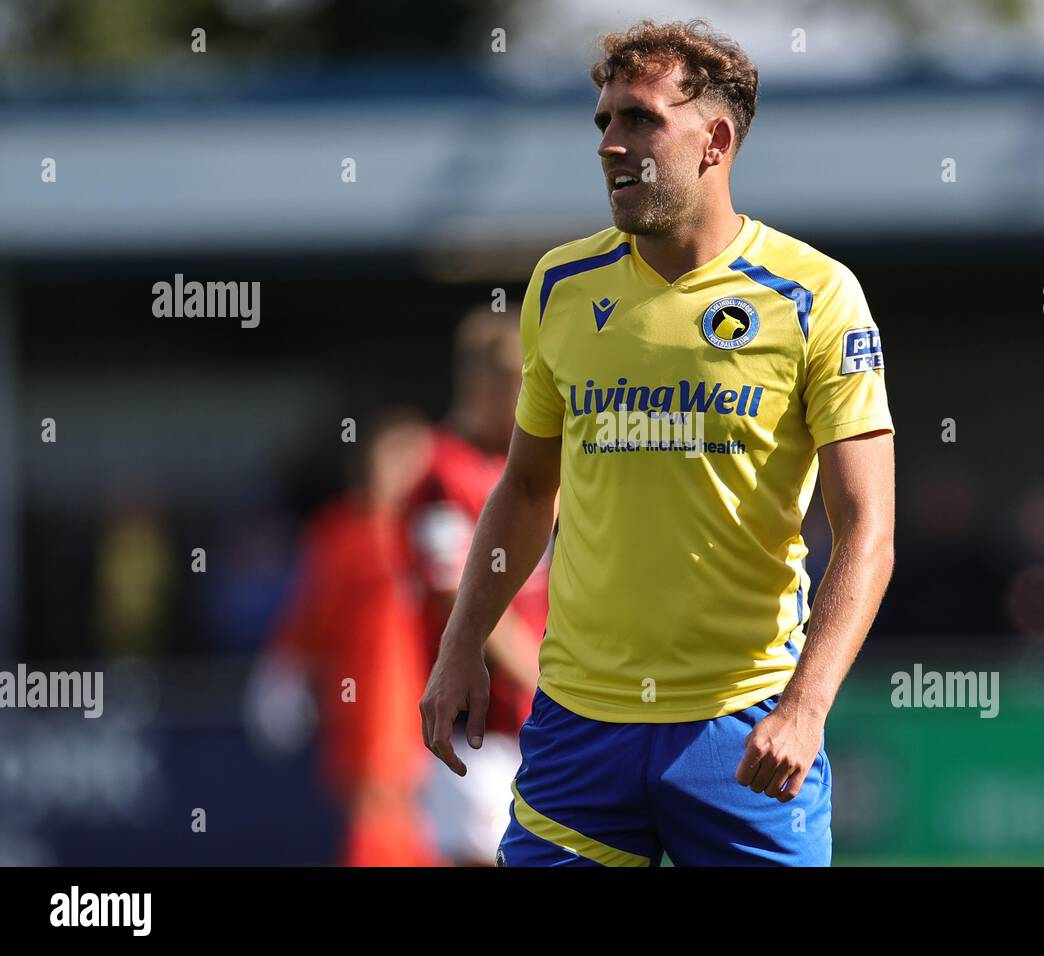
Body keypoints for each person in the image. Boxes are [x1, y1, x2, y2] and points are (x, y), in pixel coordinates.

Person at [419, 18, 895, 867]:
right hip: (578, 727)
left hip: (742, 725)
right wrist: (461, 645)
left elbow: (868, 530)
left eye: (639, 120)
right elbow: (528, 490)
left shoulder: (816, 296)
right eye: (602, 121)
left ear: (714, 140)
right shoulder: (562, 286)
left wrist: (808, 706)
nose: (609, 144)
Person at [252, 409, 437, 866]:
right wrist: (284, 671)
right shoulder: (343, 535)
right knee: (381, 817)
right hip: (372, 711)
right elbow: (310, 617)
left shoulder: (439, 533)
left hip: (442, 709)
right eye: (394, 459)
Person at [402, 307, 550, 866]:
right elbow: (456, 595)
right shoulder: (442, 470)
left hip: (532, 723)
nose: (530, 398)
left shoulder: (525, 470)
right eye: (520, 381)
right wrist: (545, 680)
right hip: (473, 734)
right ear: (481, 384)